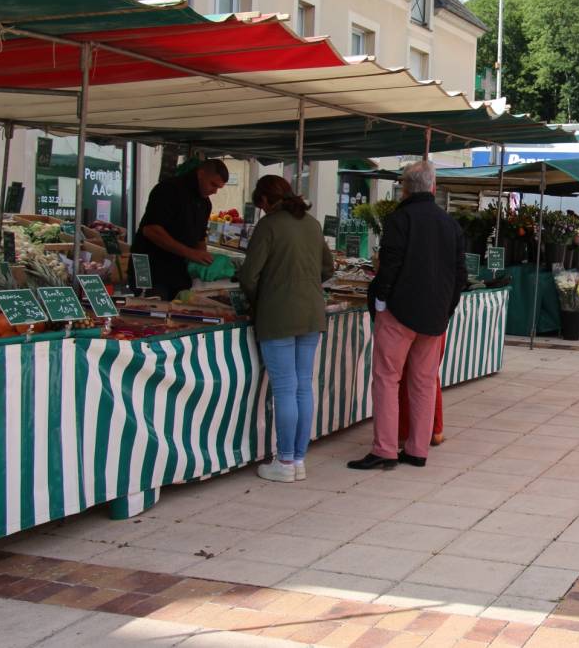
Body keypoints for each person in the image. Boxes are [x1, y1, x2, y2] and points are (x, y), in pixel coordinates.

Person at [349, 161, 467, 470]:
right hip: (435, 316)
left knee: (387, 380)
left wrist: (381, 299)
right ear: (433, 186)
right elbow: (460, 275)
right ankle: (417, 449)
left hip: (399, 312)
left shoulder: (399, 219)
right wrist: (448, 308)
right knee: (424, 382)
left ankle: (385, 449)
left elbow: (390, 265)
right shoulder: (450, 224)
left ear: (404, 187)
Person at [238, 175, 334, 483]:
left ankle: (285, 461)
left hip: (278, 313)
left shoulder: (269, 226)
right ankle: (299, 461)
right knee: (303, 385)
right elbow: (328, 268)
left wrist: (261, 298)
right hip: (312, 312)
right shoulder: (311, 223)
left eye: (260, 204)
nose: (261, 210)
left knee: (284, 387)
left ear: (266, 200)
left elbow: (249, 276)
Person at [131, 159, 228, 300]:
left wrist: (204, 261)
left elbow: (200, 238)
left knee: (181, 313)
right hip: (150, 270)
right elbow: (151, 230)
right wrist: (191, 253)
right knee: (155, 314)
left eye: (219, 188)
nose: (215, 191)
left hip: (179, 273)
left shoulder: (205, 203)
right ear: (200, 174)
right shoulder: (168, 190)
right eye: (213, 184)